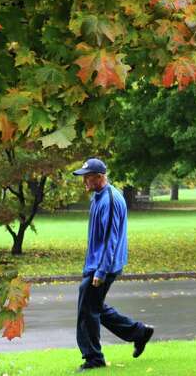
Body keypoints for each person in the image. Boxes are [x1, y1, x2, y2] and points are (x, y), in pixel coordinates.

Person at [71, 157, 154, 371]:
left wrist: (101, 270)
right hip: (98, 263)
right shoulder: (99, 196)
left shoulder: (109, 199)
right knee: (92, 306)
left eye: (87, 178)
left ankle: (94, 358)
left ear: (99, 177)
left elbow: (111, 238)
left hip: (104, 265)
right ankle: (139, 332)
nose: (84, 182)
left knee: (88, 309)